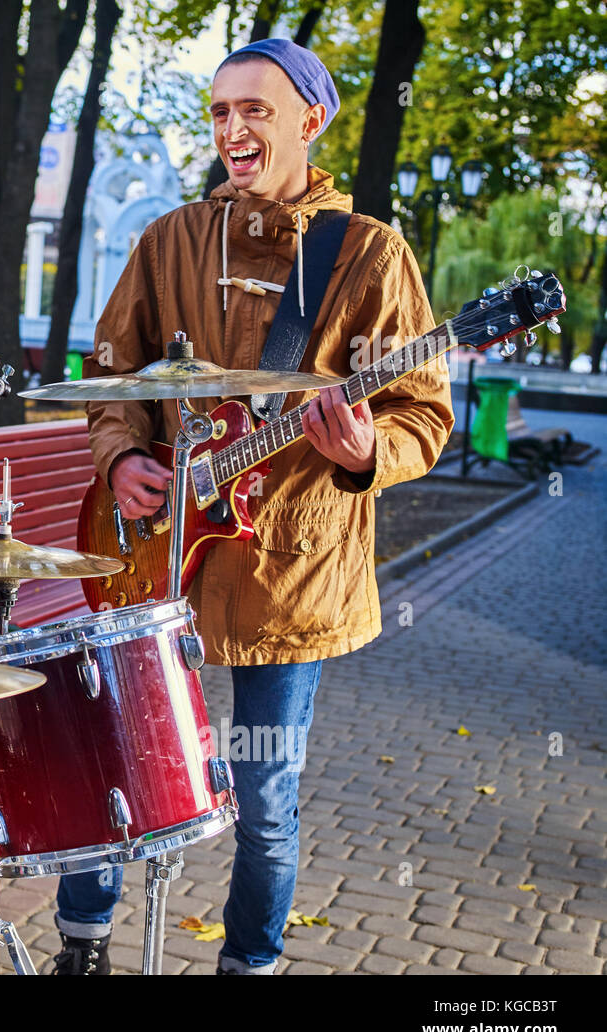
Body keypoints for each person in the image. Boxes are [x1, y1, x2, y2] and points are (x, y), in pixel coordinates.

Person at [50, 40, 454, 975]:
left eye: (256, 110)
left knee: (266, 795)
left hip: (293, 575)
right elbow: (113, 381)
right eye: (221, 111)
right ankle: (82, 946)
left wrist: (366, 452)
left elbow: (422, 415)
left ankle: (252, 964)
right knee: (118, 767)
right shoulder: (169, 240)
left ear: (311, 121)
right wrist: (118, 462)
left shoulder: (370, 254)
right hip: (159, 554)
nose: (233, 129)